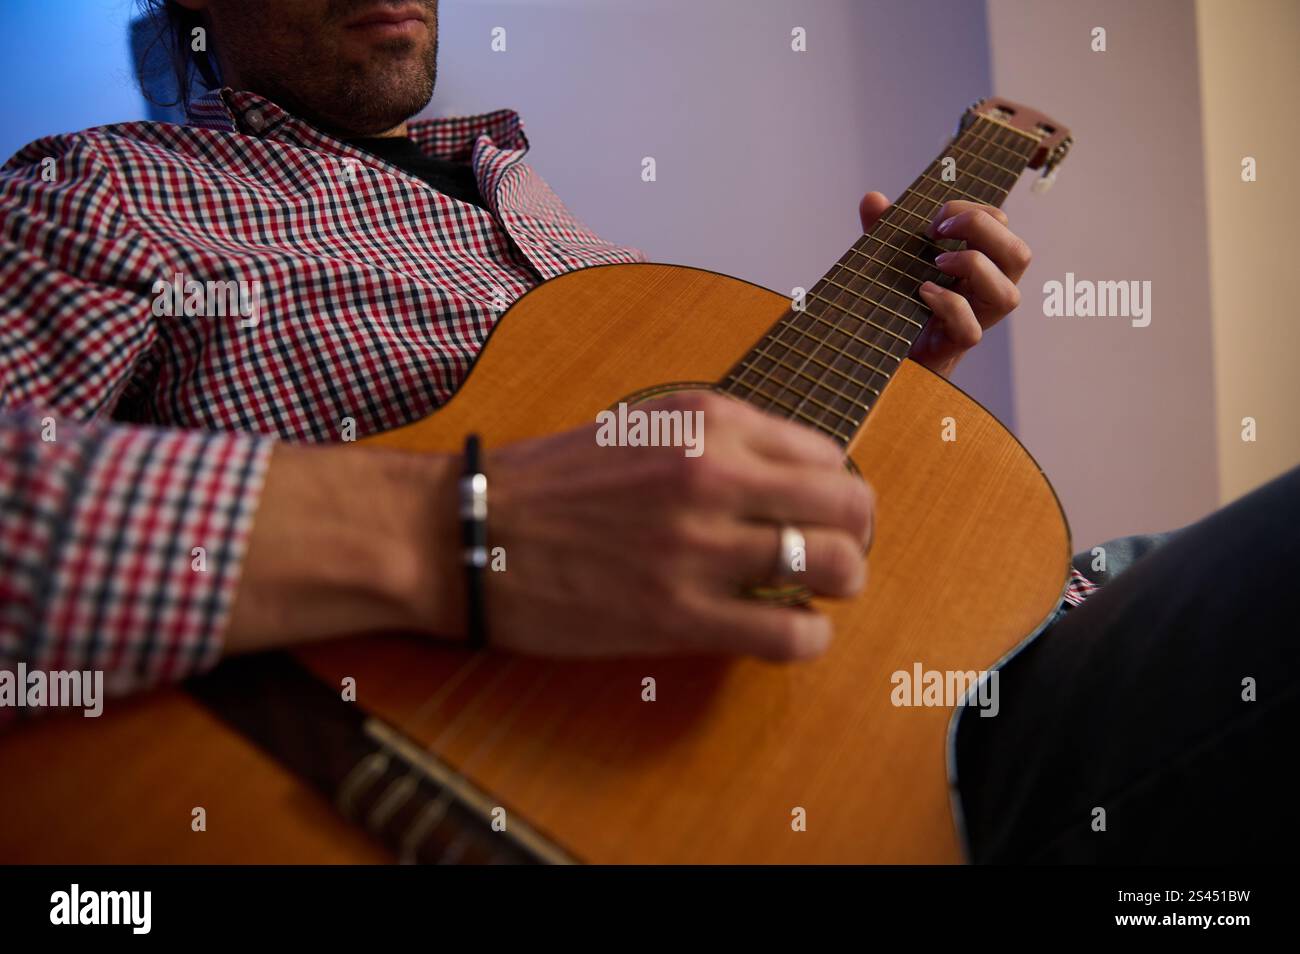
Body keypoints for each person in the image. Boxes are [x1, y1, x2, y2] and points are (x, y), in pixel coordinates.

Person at [0, 0, 1291, 861]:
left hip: (955, 682)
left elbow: (678, 512)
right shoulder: (101, 192)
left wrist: (893, 391)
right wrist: (462, 528)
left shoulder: (572, 236)